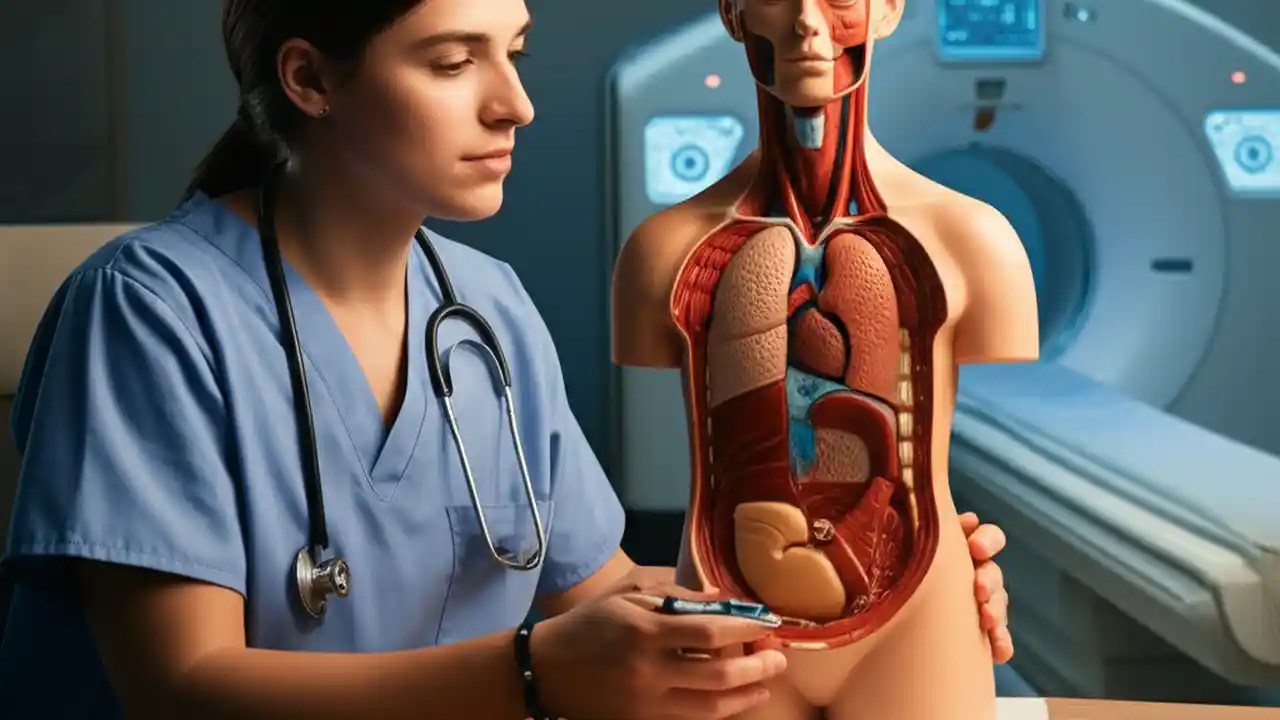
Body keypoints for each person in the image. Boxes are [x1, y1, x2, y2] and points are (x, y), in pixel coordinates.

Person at [0, 1, 1013, 718]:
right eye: (452, 62)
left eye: (514, 50)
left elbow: (606, 597)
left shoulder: (482, 308)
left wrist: (865, 596)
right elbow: (179, 690)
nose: (514, 104)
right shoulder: (148, 309)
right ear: (308, 78)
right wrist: (532, 677)